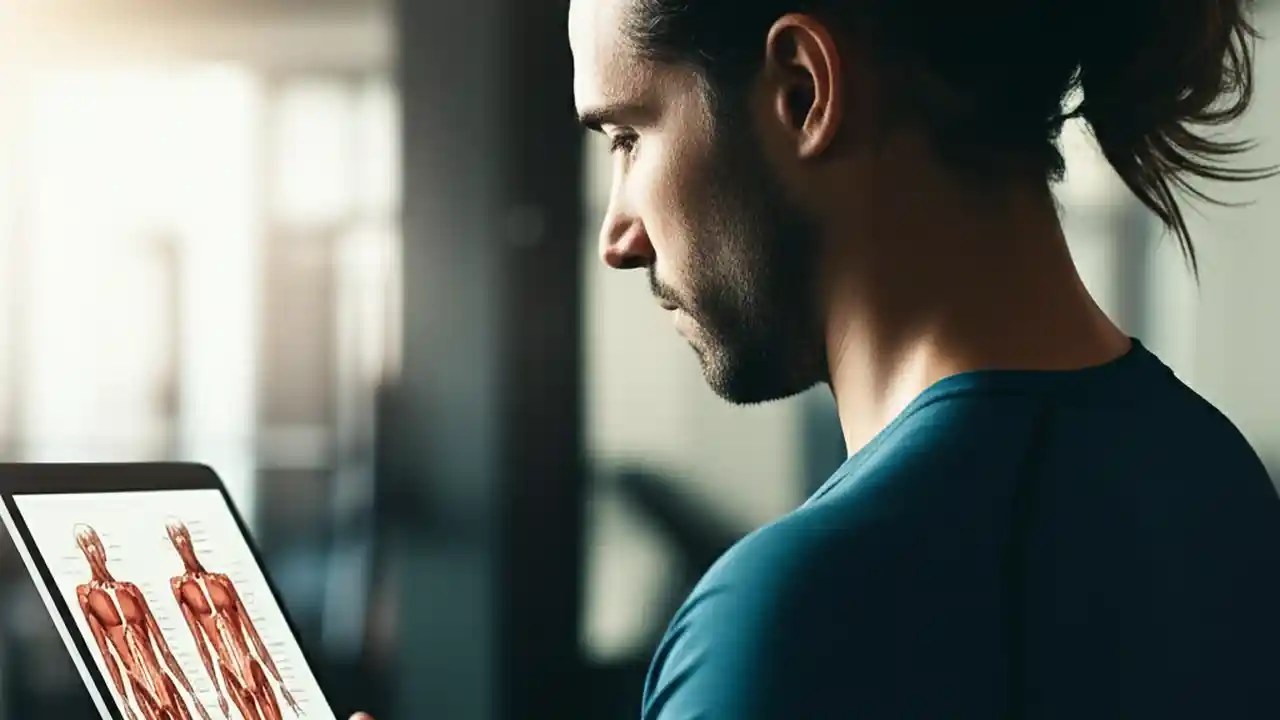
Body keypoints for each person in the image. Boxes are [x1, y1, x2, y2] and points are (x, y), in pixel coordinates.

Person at [354, 0, 1280, 717]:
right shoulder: (1218, 481)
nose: (617, 234)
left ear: (801, 92)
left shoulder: (791, 621)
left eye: (630, 136)